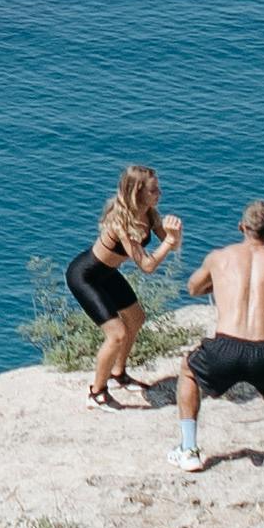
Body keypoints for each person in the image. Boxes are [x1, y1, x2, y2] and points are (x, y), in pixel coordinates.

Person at [174, 199, 264, 472]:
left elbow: (193, 287)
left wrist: (219, 285)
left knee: (188, 369)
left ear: (241, 227)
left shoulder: (219, 258)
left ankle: (189, 449)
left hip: (223, 350)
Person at [65, 165, 177, 408]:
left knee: (136, 318)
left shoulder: (149, 214)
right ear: (138, 192)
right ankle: (97, 393)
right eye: (154, 190)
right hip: (85, 275)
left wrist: (172, 235)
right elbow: (146, 266)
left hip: (107, 274)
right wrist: (168, 242)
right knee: (117, 334)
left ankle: (118, 374)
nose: (160, 193)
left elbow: (172, 245)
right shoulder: (120, 220)